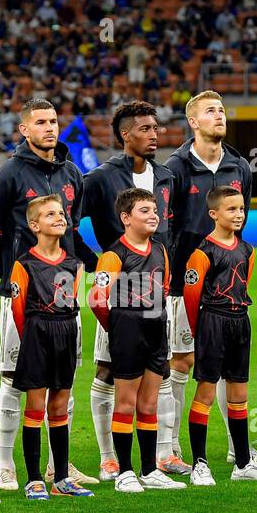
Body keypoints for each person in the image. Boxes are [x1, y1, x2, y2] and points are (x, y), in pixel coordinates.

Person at [0, 98, 97, 491]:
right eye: (40, 122)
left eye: (53, 120)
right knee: (15, 379)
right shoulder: (8, 174)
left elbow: (74, 232)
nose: (50, 127)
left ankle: (58, 467)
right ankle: (8, 465)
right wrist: (13, 275)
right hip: (25, 294)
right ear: (24, 129)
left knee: (63, 381)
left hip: (65, 300)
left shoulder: (71, 173)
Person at [163, 91, 257, 469]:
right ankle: (171, 449)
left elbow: (237, 225)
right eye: (211, 111)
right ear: (193, 122)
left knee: (230, 367)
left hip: (229, 287)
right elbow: (165, 225)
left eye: (223, 110)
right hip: (184, 284)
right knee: (181, 362)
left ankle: (237, 449)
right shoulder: (175, 168)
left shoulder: (239, 166)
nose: (220, 116)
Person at [81, 101, 179, 479]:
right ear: (126, 134)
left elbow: (176, 228)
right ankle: (111, 458)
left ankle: (159, 458)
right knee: (108, 372)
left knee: (158, 376)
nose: (154, 134)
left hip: (156, 289)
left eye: (156, 128)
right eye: (145, 129)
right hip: (120, 302)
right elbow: (69, 225)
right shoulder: (101, 179)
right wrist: (100, 261)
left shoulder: (167, 176)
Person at [89, 188, 186, 493]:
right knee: (126, 403)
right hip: (127, 331)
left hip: (156, 330)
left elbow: (166, 287)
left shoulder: (160, 250)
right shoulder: (113, 255)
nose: (153, 215)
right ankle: (124, 472)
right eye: (144, 210)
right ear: (126, 218)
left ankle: (149, 470)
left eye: (155, 209)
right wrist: (118, 327)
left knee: (149, 403)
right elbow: (97, 298)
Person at [183, 186, 257, 484]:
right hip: (212, 321)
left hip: (240, 321)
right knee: (207, 392)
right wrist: (202, 332)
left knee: (239, 394)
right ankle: (200, 463)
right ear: (214, 214)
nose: (238, 215)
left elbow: (244, 284)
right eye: (231, 209)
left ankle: (243, 463)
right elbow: (191, 297)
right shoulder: (202, 253)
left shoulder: (247, 250)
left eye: (241, 209)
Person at [9, 195, 92, 500]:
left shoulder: (75, 264)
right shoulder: (24, 263)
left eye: (61, 213)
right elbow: (19, 311)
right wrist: (34, 337)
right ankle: (33, 479)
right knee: (35, 407)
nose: (59, 218)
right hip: (37, 332)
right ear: (34, 225)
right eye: (50, 214)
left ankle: (61, 478)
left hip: (66, 331)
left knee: (59, 407)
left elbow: (76, 304)